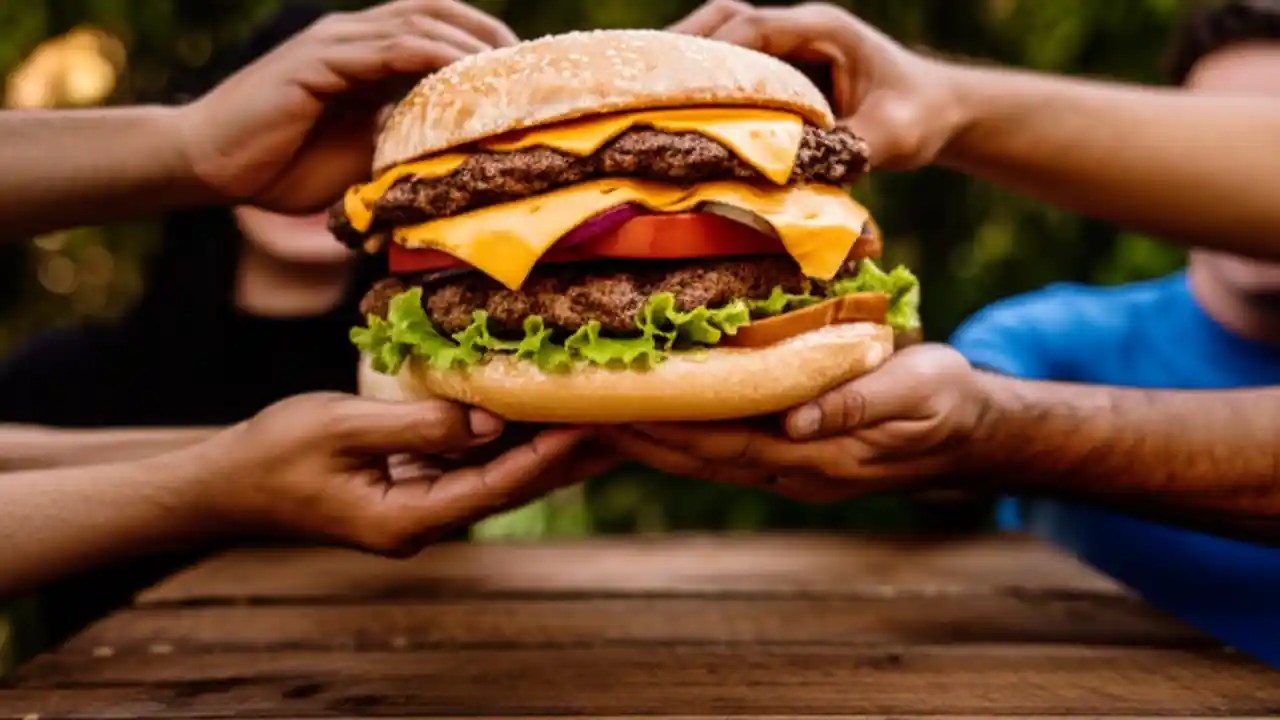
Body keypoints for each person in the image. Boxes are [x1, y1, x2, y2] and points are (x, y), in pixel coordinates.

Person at [608, 0, 1280, 665]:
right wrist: (941, 101)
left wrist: (992, 431)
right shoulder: (1054, 330)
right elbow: (942, 442)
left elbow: (967, 425)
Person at [0, 0, 613, 604]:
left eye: (378, 128)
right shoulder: (59, 378)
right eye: (324, 121)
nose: (339, 161)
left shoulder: (458, 392)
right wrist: (216, 480)